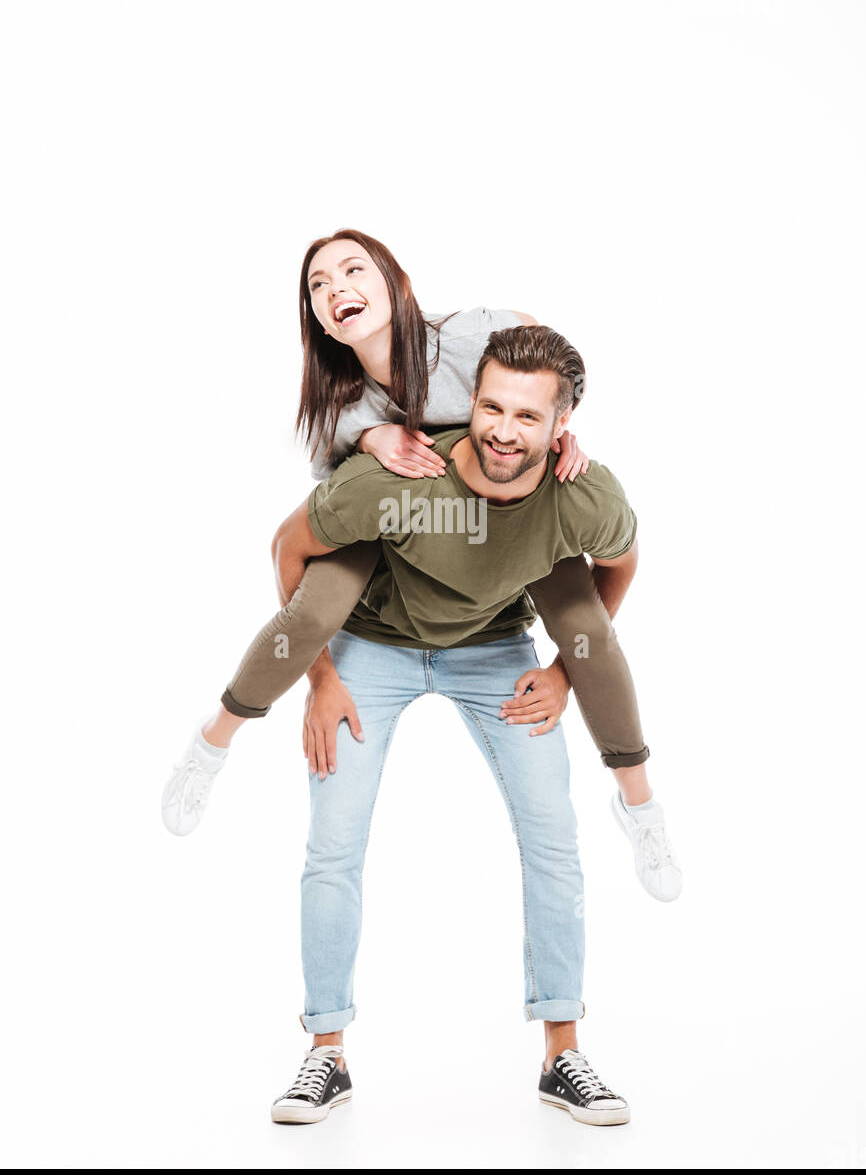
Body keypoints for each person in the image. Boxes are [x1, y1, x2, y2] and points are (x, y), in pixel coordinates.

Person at [163, 232, 676, 907]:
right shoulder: (333, 403)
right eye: (318, 285)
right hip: (396, 519)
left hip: (512, 503)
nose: (336, 288)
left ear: (395, 283)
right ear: (315, 315)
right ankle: (211, 744)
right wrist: (371, 436)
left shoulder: (465, 339)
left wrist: (559, 424)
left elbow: (541, 350)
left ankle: (641, 810)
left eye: (353, 270)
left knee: (589, 636)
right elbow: (302, 529)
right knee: (312, 615)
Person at [268, 325, 662, 1126]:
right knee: (334, 844)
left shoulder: (586, 491)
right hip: (372, 650)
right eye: (490, 407)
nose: (502, 430)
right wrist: (321, 676)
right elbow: (288, 546)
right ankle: (324, 1055)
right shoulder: (403, 473)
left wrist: (561, 671)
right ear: (470, 401)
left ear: (563, 429)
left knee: (552, 835)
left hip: (496, 655)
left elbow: (619, 562)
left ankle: (563, 1053)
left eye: (527, 416)